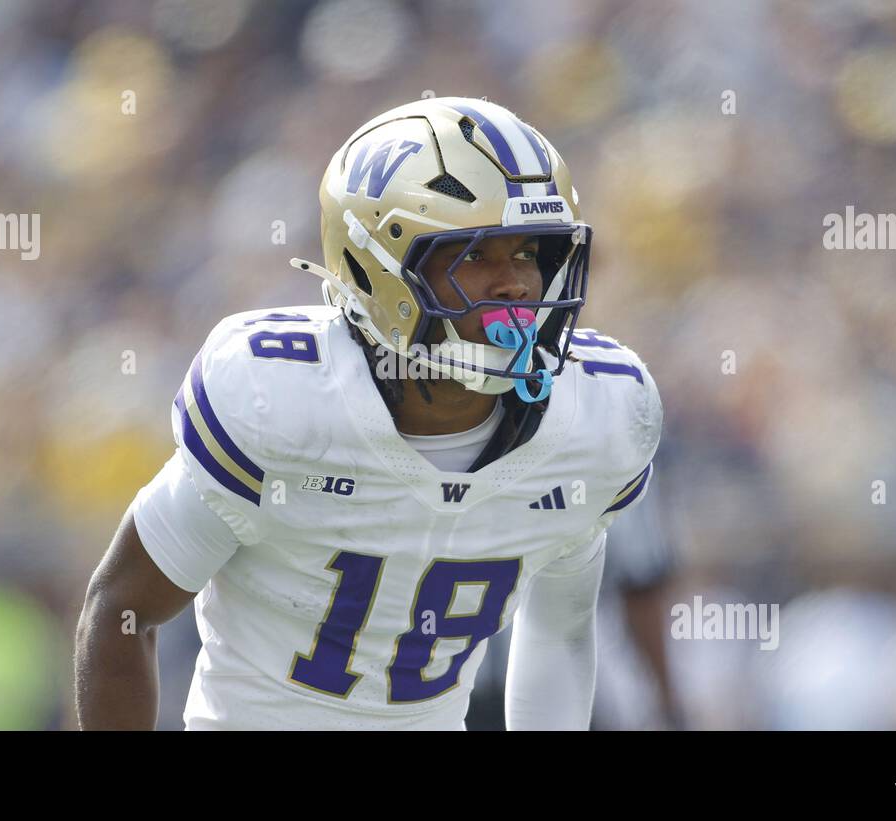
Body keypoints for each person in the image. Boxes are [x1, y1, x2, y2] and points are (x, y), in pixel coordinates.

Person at [74, 97, 663, 730]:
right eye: (475, 256)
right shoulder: (282, 404)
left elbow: (561, 633)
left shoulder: (596, 417)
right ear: (375, 267)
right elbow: (121, 612)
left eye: (528, 253)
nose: (515, 285)